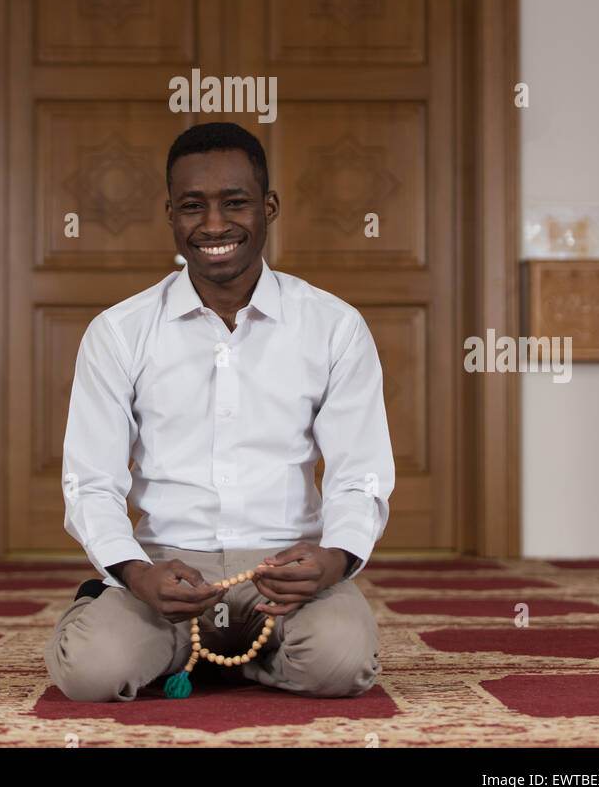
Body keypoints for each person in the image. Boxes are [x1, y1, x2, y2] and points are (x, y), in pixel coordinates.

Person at [44, 121, 395, 701]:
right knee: (91, 670)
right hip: (168, 570)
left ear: (269, 207)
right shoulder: (118, 332)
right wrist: (135, 573)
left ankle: (213, 657)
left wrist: (334, 560)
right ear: (169, 214)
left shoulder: (334, 326)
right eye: (192, 206)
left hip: (285, 573)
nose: (212, 225)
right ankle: (164, 634)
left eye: (234, 202)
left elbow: (360, 474)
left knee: (342, 663)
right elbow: (90, 484)